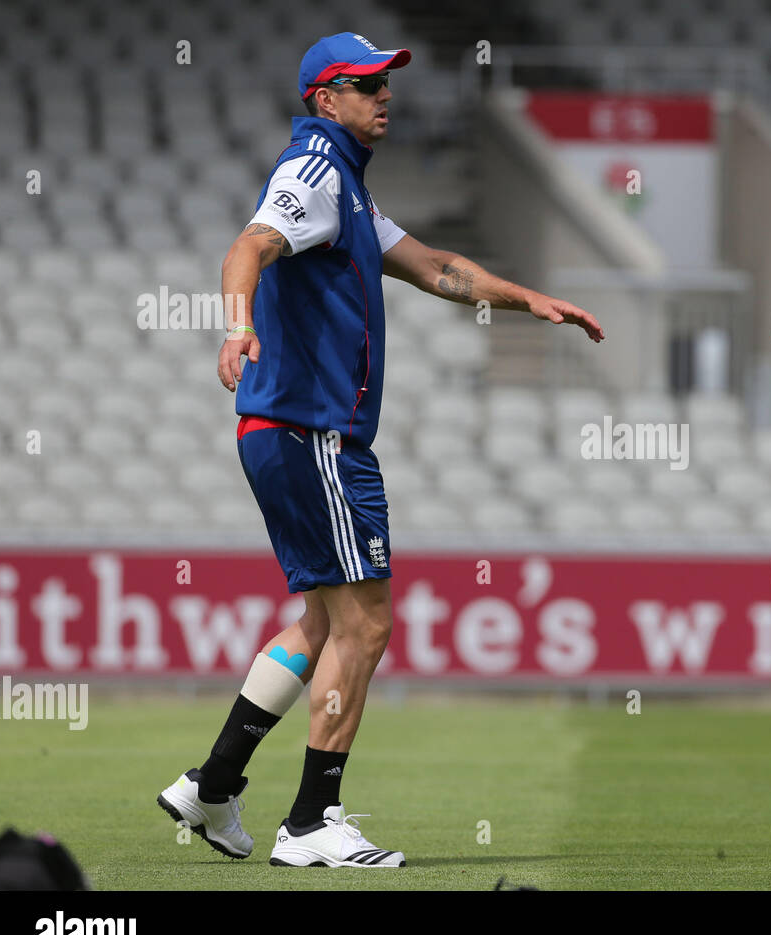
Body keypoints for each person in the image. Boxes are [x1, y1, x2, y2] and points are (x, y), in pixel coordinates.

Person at [158, 32, 603, 869]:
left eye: (386, 81)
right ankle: (310, 820)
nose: (383, 94)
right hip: (313, 431)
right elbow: (248, 245)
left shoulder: (349, 191)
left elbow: (438, 269)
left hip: (288, 431)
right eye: (364, 84)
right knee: (366, 624)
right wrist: (237, 328)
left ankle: (210, 785)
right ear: (325, 99)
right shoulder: (317, 171)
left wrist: (529, 298)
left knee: (324, 621)